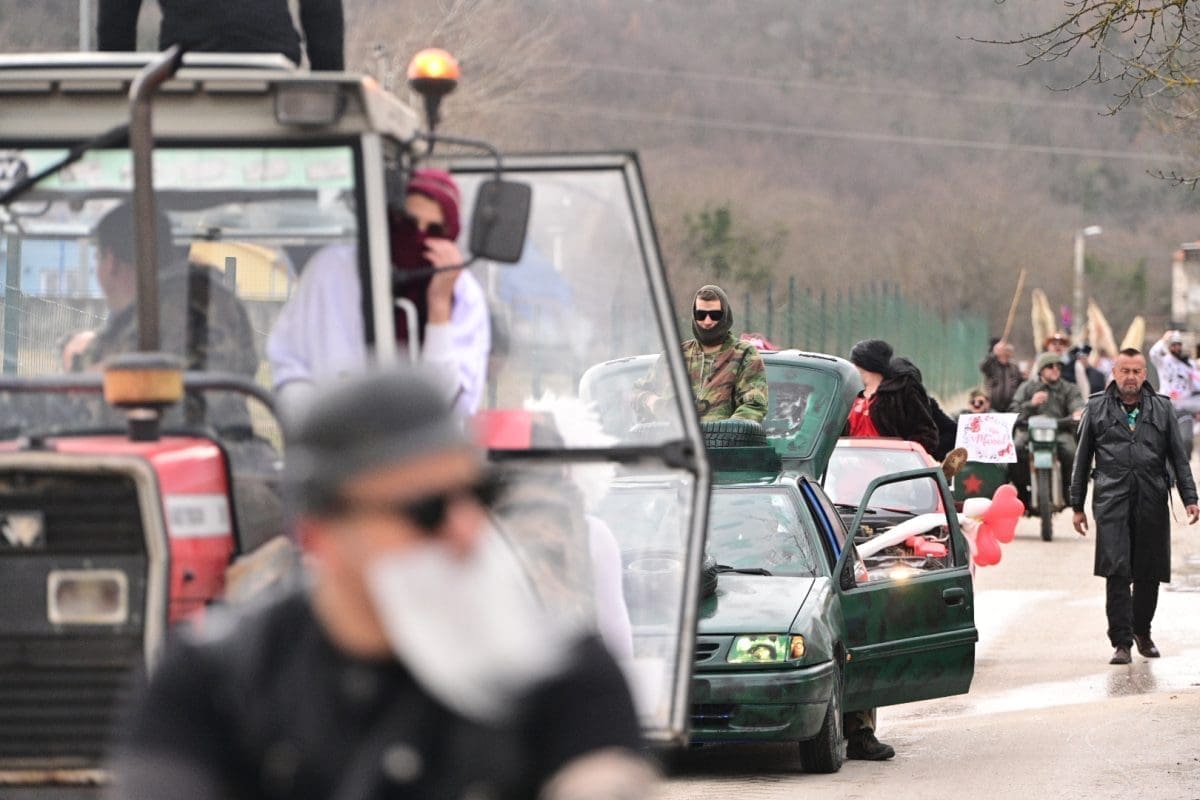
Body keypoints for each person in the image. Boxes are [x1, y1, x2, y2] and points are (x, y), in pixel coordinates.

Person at [109, 366, 655, 799]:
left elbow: (601, 776)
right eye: (426, 510)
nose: (466, 530)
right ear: (320, 534)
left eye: (479, 497)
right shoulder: (214, 684)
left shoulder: (562, 671)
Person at [267, 168, 490, 417]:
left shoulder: (462, 293)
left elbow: (451, 403)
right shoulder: (330, 272)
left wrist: (439, 305)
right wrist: (323, 426)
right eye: (408, 223)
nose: (418, 237)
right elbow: (289, 363)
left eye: (434, 231)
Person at [72, 202, 259, 434]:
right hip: (214, 454)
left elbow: (164, 405)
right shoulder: (199, 298)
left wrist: (83, 364)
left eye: (97, 258)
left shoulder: (182, 305)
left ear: (110, 262)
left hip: (191, 455)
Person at [1070, 348, 1200, 665]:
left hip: (1152, 498)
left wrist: (1190, 498)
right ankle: (1122, 642)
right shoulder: (1097, 406)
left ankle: (1143, 631)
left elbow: (1179, 459)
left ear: (1145, 374)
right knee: (1116, 569)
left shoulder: (1162, 408)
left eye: (1137, 371)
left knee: (1148, 571)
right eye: (1125, 370)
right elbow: (1082, 456)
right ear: (1114, 371)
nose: (1131, 377)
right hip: (1111, 499)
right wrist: (1076, 504)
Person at [633, 284, 768, 423]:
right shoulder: (673, 358)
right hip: (678, 441)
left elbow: (753, 406)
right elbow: (637, 393)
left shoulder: (745, 356)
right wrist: (653, 402)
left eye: (715, 315)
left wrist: (727, 431)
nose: (707, 321)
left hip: (726, 443)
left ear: (725, 314)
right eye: (701, 315)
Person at [98, 0, 344, 71]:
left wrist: (119, 86)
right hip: (271, 61)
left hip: (183, 65)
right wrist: (329, 79)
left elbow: (115, 17)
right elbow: (322, 9)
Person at [1008, 351, 1084, 509]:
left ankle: (1067, 489)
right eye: (1050, 366)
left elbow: (1076, 404)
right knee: (1015, 450)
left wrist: (1077, 412)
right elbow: (1014, 410)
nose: (1055, 369)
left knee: (1071, 452)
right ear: (1041, 370)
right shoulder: (1027, 387)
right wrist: (1031, 404)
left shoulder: (1069, 388)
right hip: (1030, 431)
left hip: (1059, 431)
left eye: (1058, 366)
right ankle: (1022, 491)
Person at [846, 339, 938, 457]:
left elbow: (926, 433)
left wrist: (905, 460)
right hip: (852, 466)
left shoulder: (901, 392)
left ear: (864, 363)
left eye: (855, 363)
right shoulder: (852, 394)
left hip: (890, 468)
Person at [1148, 330, 1200, 458]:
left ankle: (1184, 464)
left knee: (1186, 440)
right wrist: (1163, 339)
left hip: (1185, 409)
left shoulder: (1189, 365)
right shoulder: (1163, 361)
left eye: (1178, 344)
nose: (1176, 347)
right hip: (1167, 408)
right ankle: (1171, 474)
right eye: (1173, 344)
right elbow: (1153, 353)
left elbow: (1196, 386)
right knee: (1166, 445)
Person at [979, 339, 1021, 414]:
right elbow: (983, 366)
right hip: (993, 407)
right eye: (1004, 351)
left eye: (1008, 352)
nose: (1006, 354)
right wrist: (994, 353)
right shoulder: (991, 366)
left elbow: (1020, 383)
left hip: (1010, 407)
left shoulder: (1014, 367)